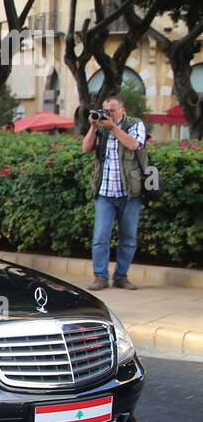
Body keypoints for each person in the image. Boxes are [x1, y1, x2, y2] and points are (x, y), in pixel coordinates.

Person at [81, 95, 146, 291]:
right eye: (104, 110)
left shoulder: (135, 124)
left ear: (122, 110)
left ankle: (121, 276)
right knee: (100, 237)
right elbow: (85, 148)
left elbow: (134, 145)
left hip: (130, 192)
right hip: (105, 192)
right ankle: (100, 276)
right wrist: (93, 126)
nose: (107, 114)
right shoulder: (101, 127)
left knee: (128, 237)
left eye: (111, 110)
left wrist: (113, 128)